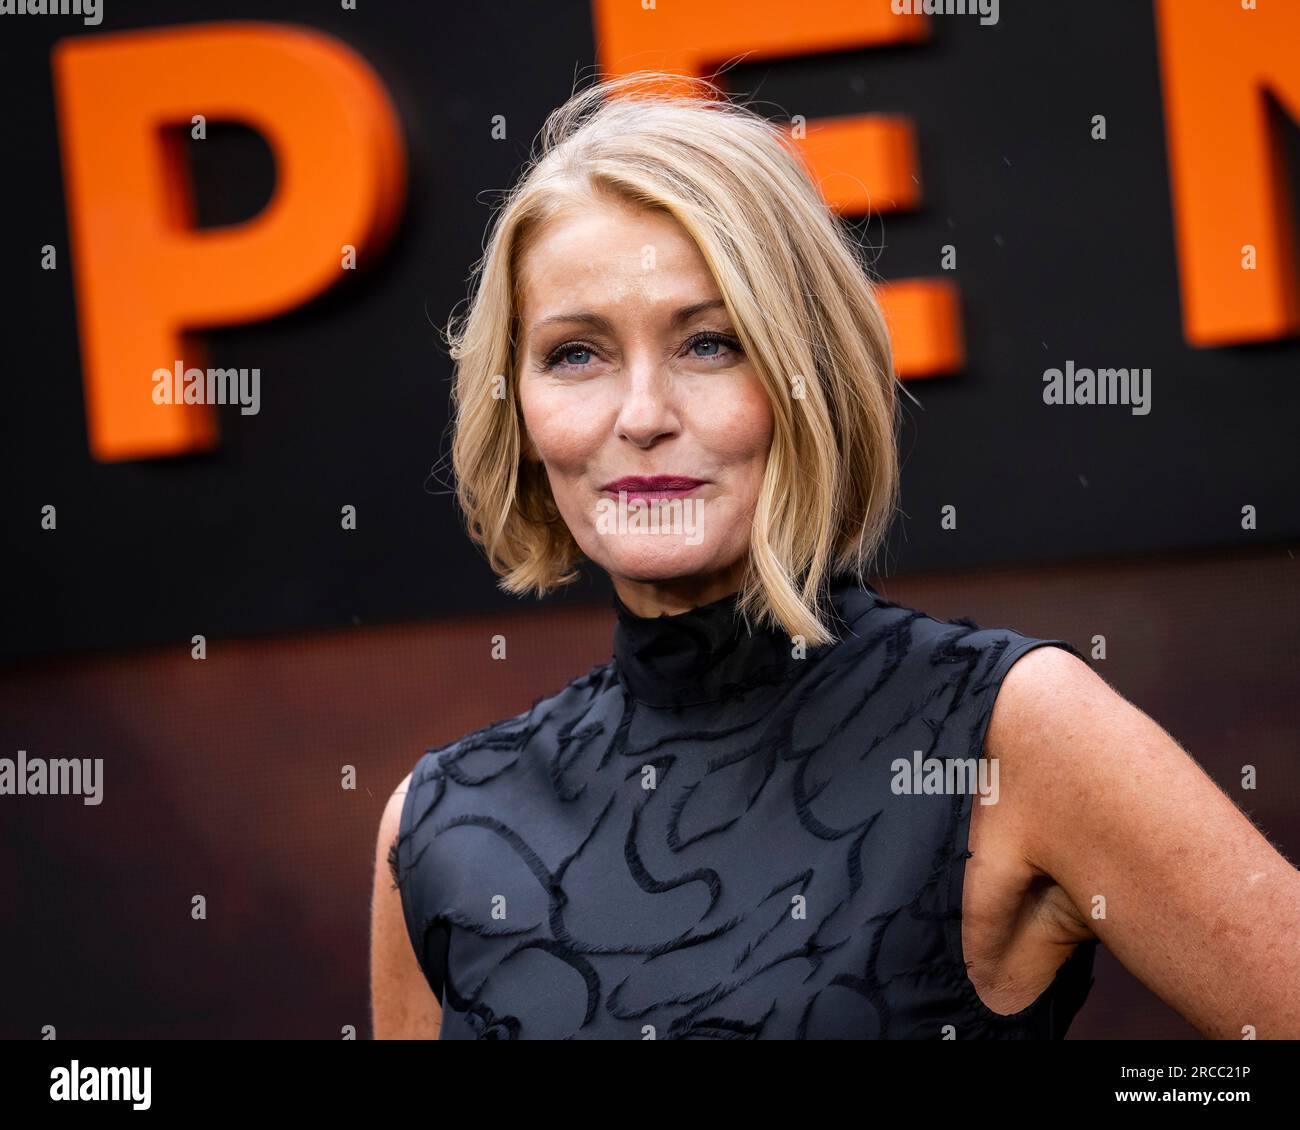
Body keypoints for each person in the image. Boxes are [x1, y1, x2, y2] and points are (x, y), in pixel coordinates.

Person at [370, 72, 1300, 1039]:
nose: (640, 417)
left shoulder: (1010, 729)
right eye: (576, 354)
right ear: (512, 405)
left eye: (709, 344)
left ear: (809, 373)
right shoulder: (437, 826)